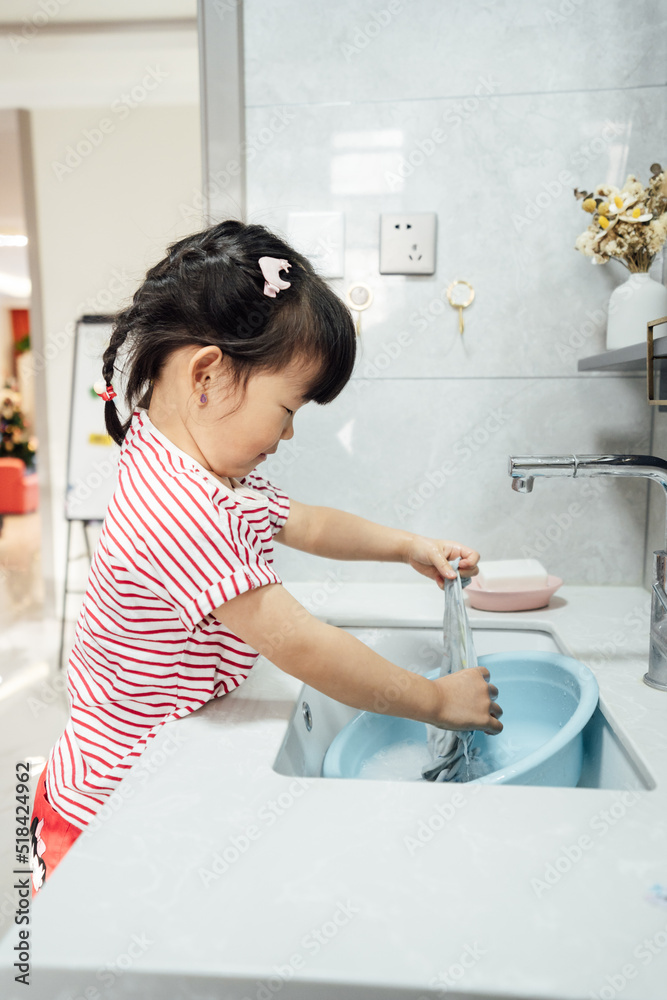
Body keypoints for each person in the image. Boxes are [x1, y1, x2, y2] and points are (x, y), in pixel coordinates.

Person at [30, 219, 502, 894]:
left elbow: (305, 523)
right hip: (110, 810)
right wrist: (433, 699)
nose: (285, 434)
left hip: (155, 765)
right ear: (208, 374)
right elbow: (303, 645)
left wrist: (406, 546)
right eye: (287, 407)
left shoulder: (196, 462)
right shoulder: (180, 511)